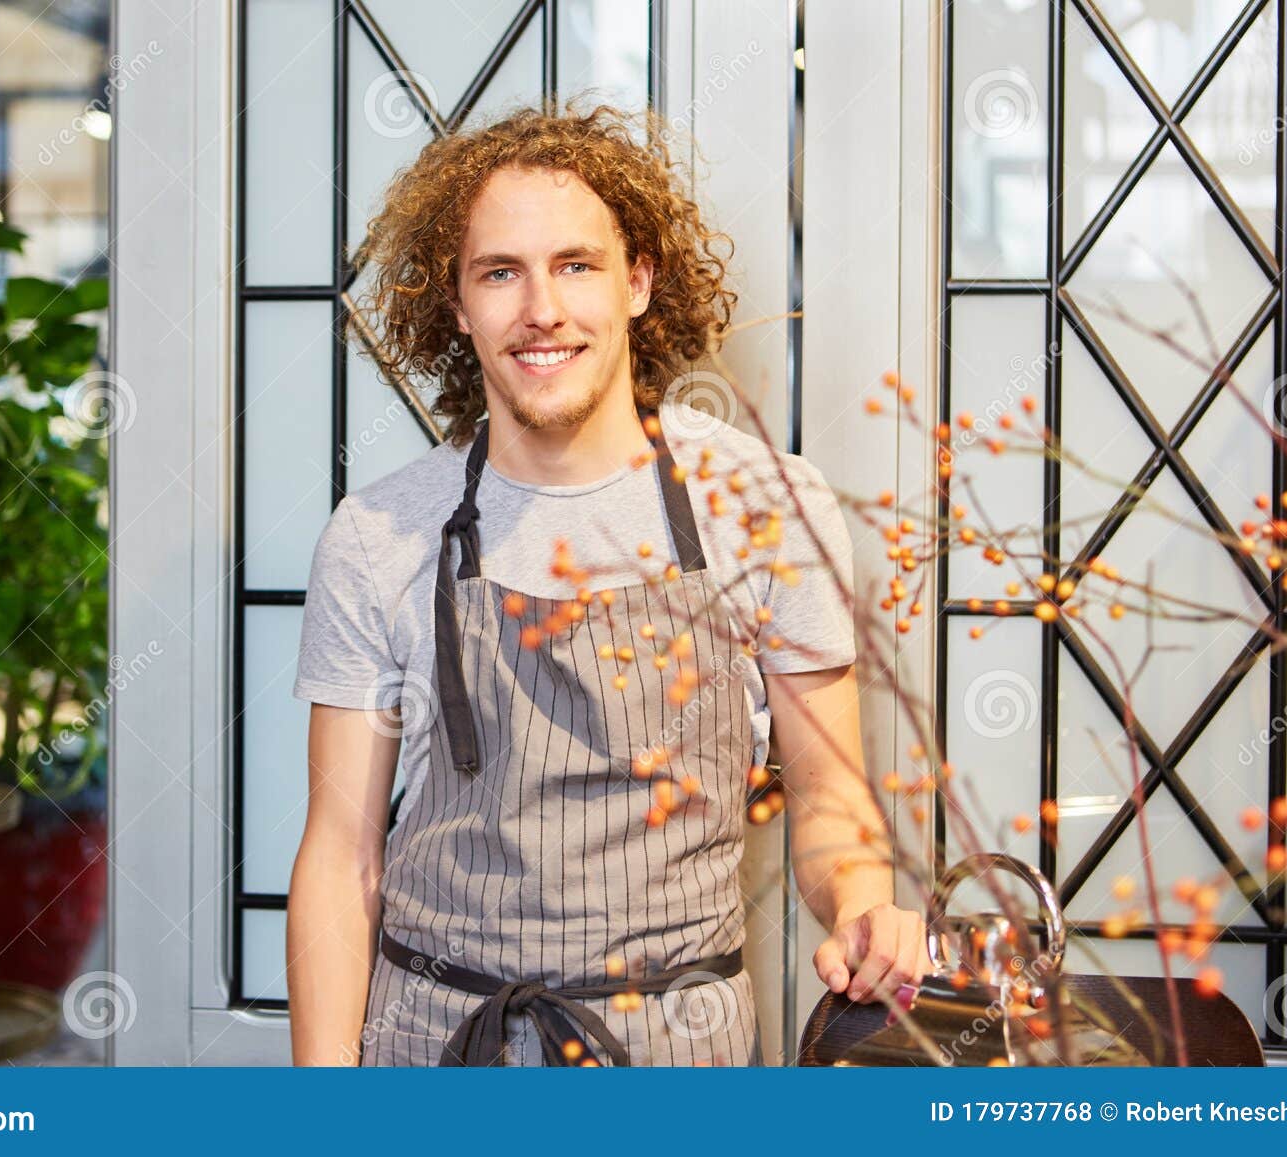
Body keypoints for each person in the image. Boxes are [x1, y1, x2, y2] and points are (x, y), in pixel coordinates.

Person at [286, 103, 929, 1067]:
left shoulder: (768, 508)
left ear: (638, 281)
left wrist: (866, 907)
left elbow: (831, 800)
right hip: (432, 1047)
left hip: (677, 1053)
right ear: (458, 306)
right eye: (500, 272)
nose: (541, 307)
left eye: (576, 265)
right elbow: (342, 858)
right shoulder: (377, 536)